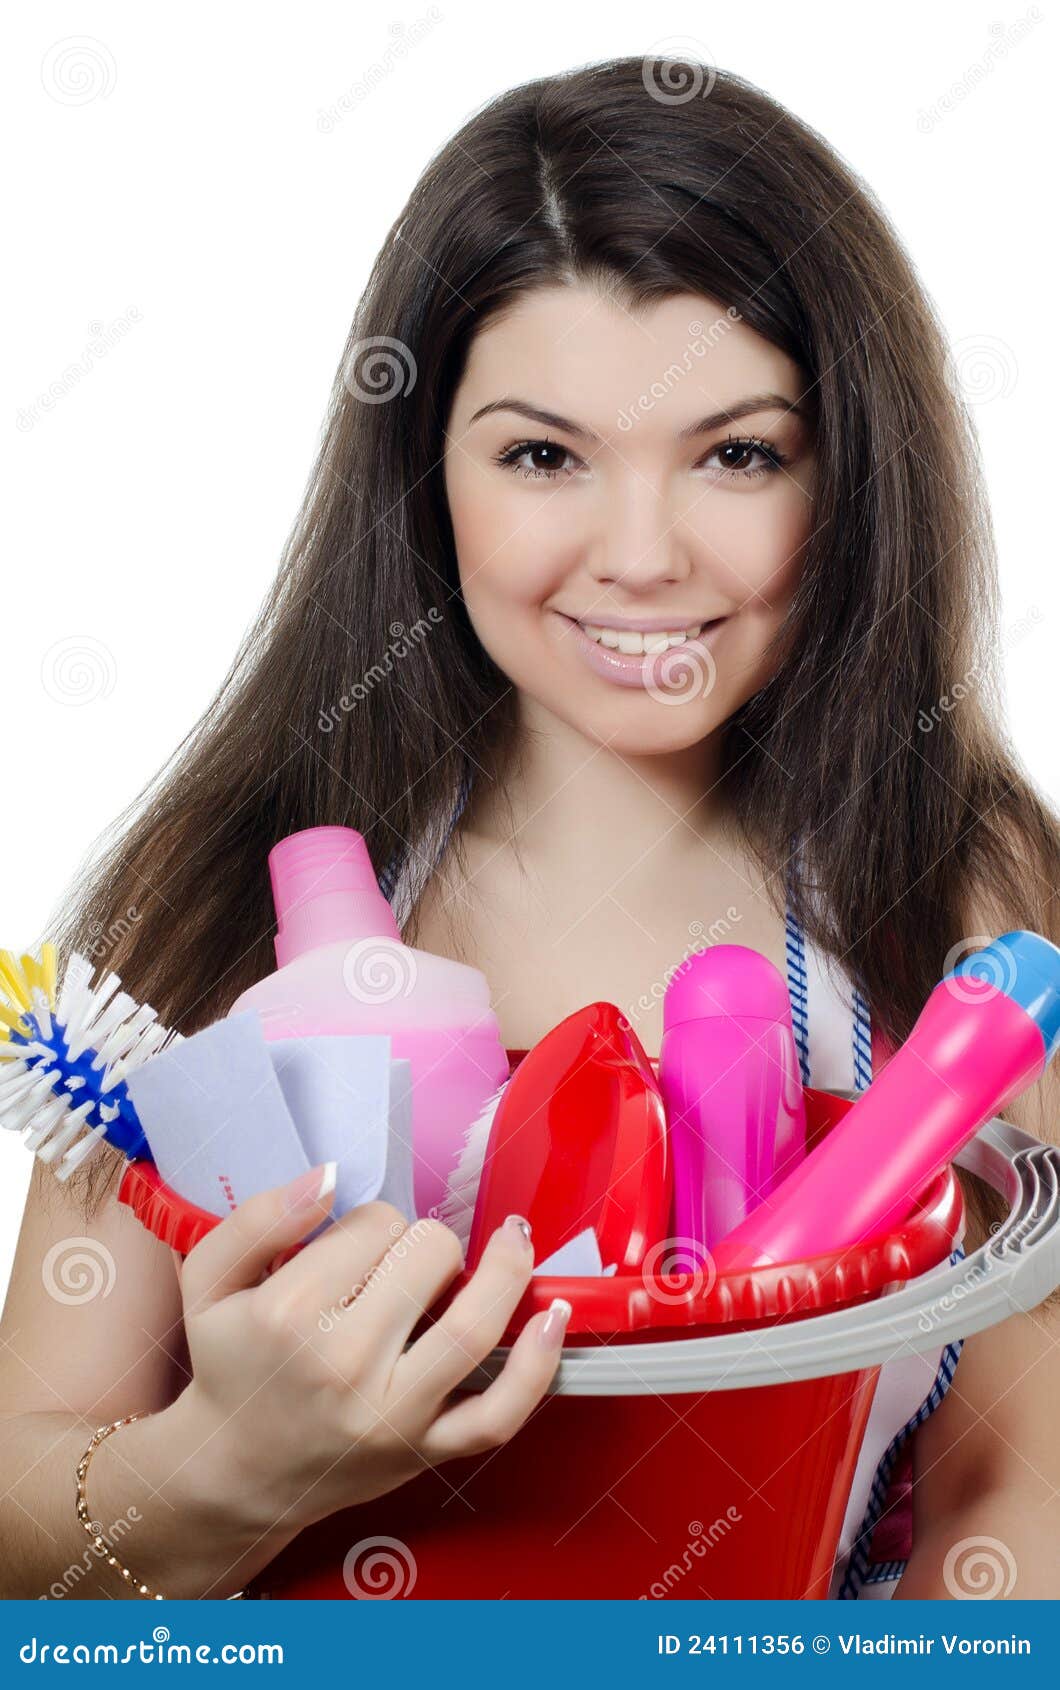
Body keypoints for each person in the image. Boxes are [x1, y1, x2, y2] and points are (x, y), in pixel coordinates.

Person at [2, 55, 1057, 1601]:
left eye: (739, 452)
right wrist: (216, 1478)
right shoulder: (216, 884)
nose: (639, 555)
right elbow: (28, 1512)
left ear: (849, 476)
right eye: (543, 455)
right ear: (426, 472)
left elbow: (1015, 1504)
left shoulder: (967, 883)